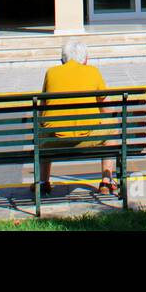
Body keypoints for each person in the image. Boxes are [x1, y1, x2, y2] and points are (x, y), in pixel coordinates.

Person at [38, 40, 116, 195]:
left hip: (54, 141)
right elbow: (107, 109)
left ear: (62, 60)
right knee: (112, 126)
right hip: (86, 138)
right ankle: (106, 182)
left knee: (42, 130)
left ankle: (43, 182)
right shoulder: (93, 72)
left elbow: (41, 112)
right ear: (86, 60)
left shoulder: (51, 72)